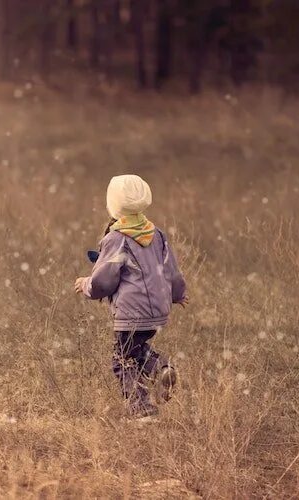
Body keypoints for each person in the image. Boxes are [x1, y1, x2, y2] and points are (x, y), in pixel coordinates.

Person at [74, 174, 188, 418]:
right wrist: (177, 294)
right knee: (135, 350)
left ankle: (142, 410)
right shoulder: (157, 235)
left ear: (113, 204)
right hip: (157, 311)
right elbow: (171, 270)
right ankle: (161, 367)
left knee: (122, 361)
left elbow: (104, 281)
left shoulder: (116, 239)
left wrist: (86, 285)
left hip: (131, 312)